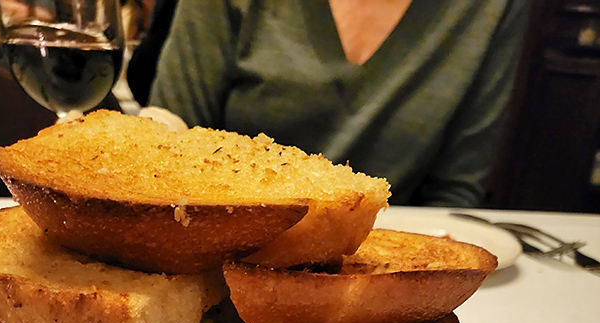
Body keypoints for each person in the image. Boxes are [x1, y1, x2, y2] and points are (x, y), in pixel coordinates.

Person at [128, 0, 529, 208]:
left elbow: (454, 194)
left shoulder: (493, 9)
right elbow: (170, 151)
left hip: (385, 275)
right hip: (223, 266)